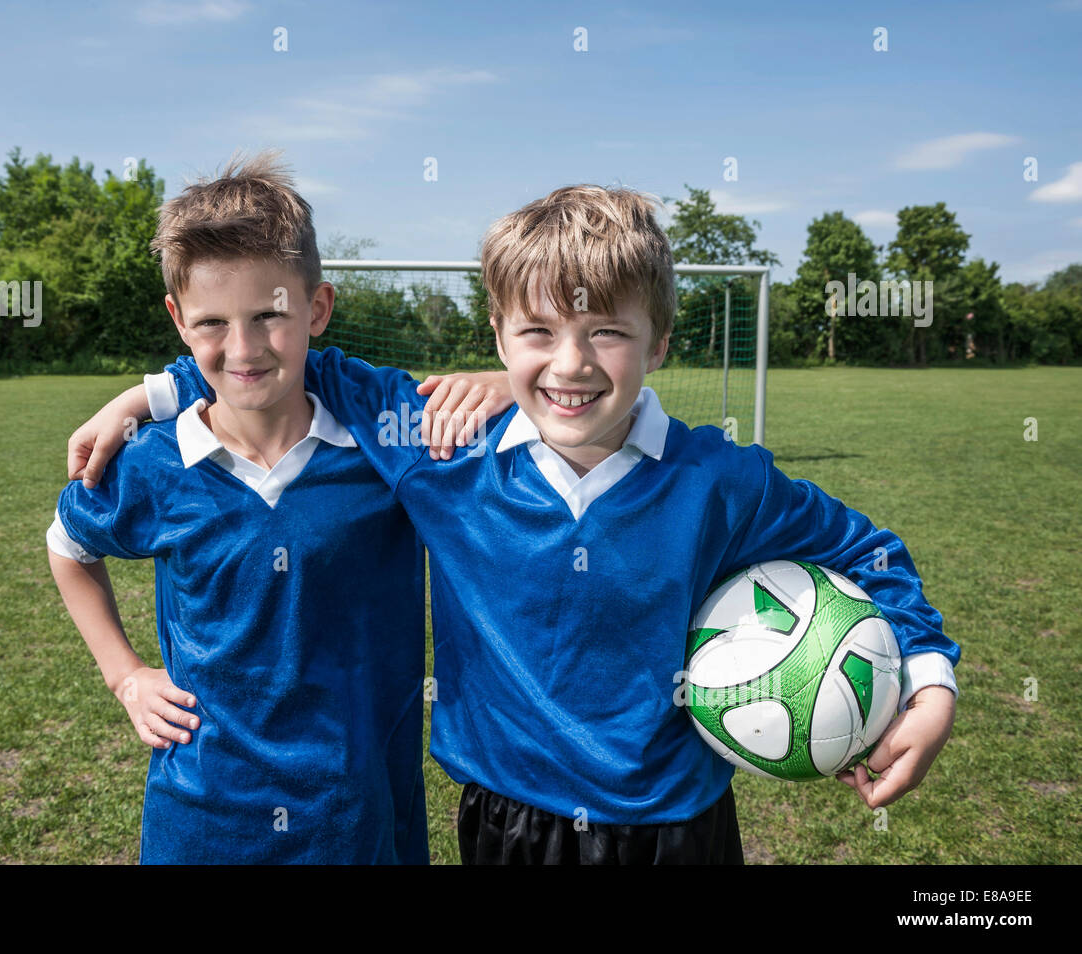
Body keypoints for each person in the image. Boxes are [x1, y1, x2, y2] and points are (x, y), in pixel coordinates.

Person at [84, 182, 959, 865]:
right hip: (504, 822)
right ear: (497, 334)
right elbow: (262, 352)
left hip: (677, 823)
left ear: (659, 346)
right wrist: (152, 393)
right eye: (537, 331)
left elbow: (869, 550)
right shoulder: (436, 443)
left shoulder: (719, 481)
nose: (572, 362)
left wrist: (928, 681)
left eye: (607, 333)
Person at [47, 151, 509, 863]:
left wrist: (511, 380)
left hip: (356, 819)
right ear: (177, 320)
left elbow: (543, 414)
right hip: (201, 817)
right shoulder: (150, 463)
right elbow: (69, 546)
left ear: (317, 307)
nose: (244, 348)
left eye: (271, 314)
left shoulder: (384, 442)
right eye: (212, 324)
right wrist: (125, 674)